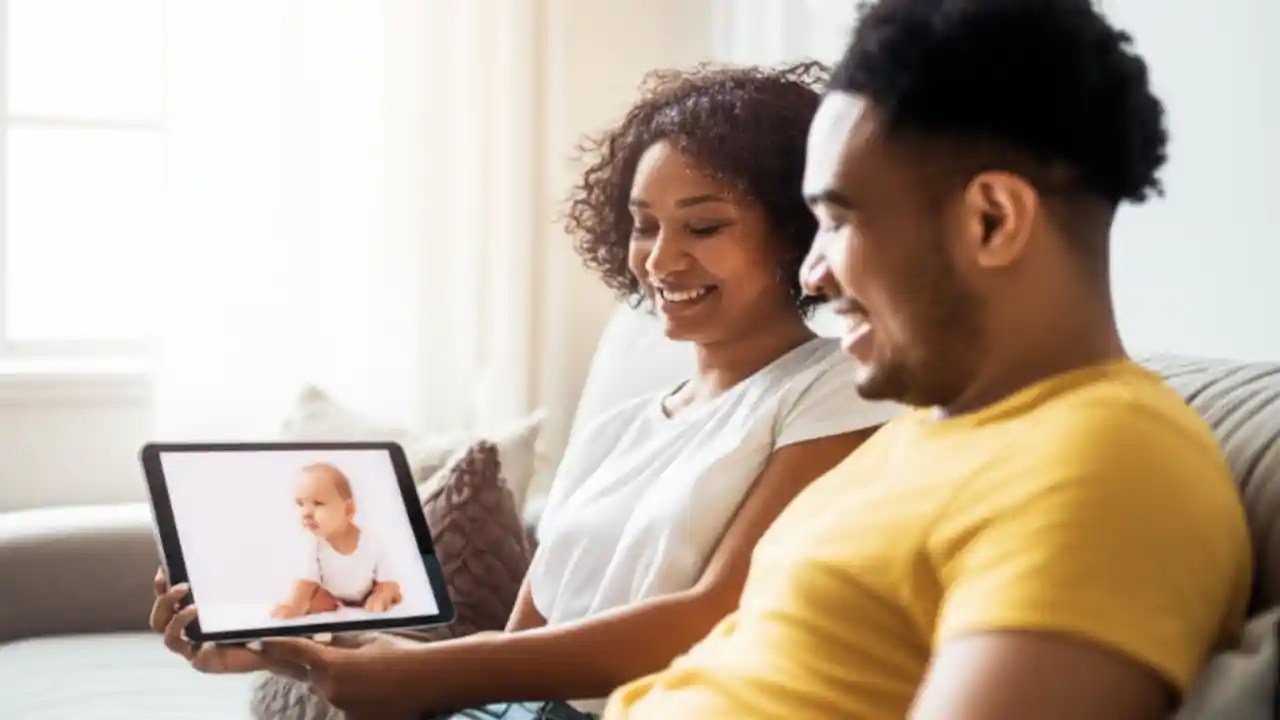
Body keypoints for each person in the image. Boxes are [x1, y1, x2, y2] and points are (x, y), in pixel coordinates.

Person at [149, 63, 898, 718]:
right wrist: (296, 648)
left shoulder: (836, 390)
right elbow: (522, 650)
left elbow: (714, 618)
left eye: (704, 226)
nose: (662, 260)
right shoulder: (621, 425)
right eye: (643, 227)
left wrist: (417, 674)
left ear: (799, 232)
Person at [604, 1, 1254, 718]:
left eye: (839, 220)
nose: (813, 272)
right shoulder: (920, 435)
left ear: (992, 221)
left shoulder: (1107, 463)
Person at [270, 463, 402, 619]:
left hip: (368, 590)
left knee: (388, 587)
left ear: (348, 509)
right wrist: (294, 605)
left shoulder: (370, 540)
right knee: (314, 599)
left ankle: (381, 595)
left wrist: (382, 591)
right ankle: (332, 604)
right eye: (300, 504)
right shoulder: (313, 543)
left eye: (318, 503)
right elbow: (305, 583)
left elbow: (386, 576)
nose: (306, 512)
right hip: (333, 596)